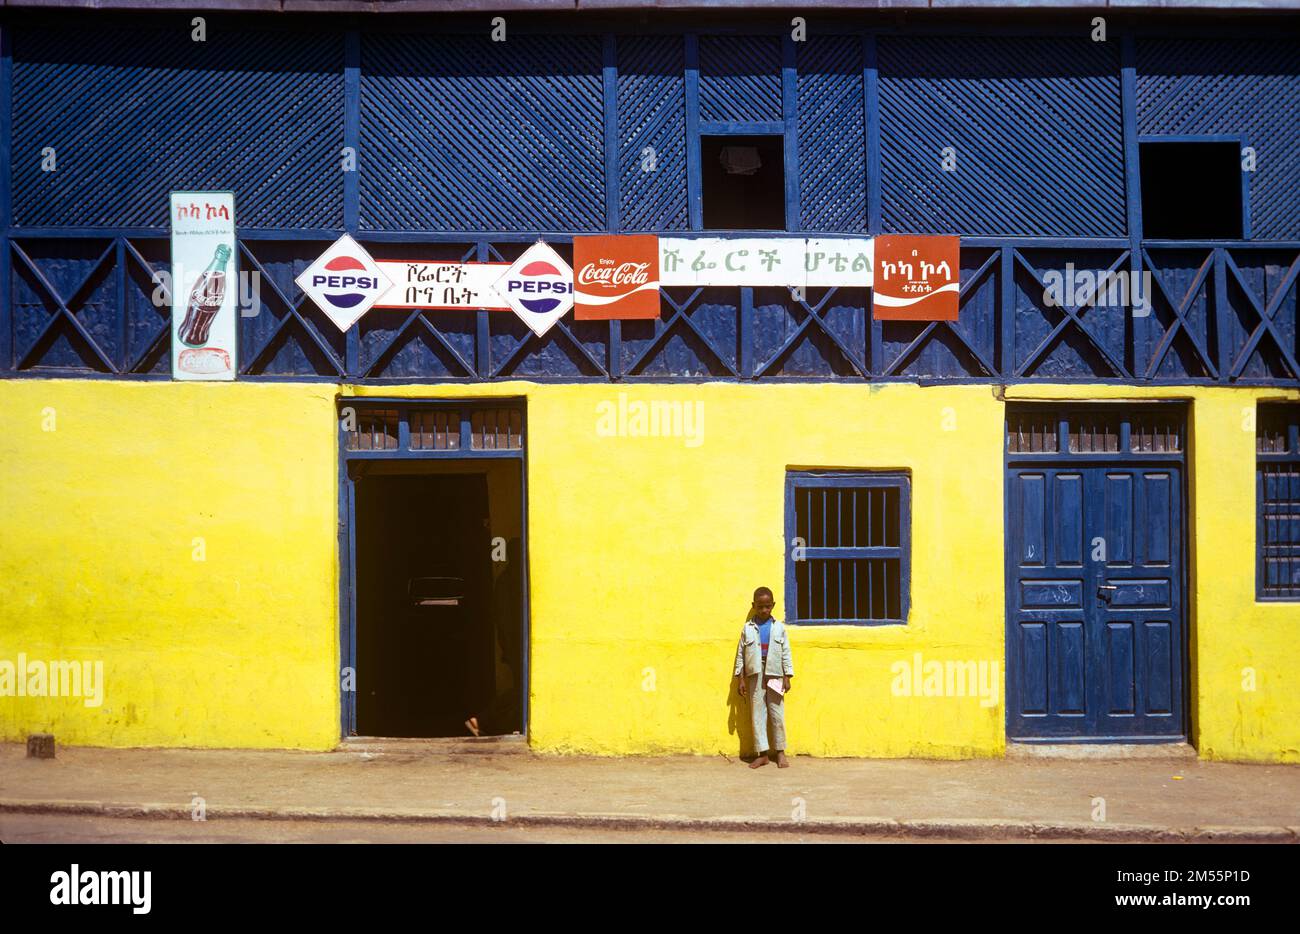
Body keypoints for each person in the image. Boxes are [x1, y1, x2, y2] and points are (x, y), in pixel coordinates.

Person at [732, 586, 793, 769]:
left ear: (772, 605)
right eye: (760, 607)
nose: (764, 610)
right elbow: (741, 655)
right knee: (757, 713)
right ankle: (763, 754)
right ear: (754, 606)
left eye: (767, 606)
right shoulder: (748, 628)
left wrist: (787, 676)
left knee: (776, 712)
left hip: (775, 673)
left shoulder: (779, 627)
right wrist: (740, 679)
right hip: (755, 674)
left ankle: (780, 752)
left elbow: (786, 652)